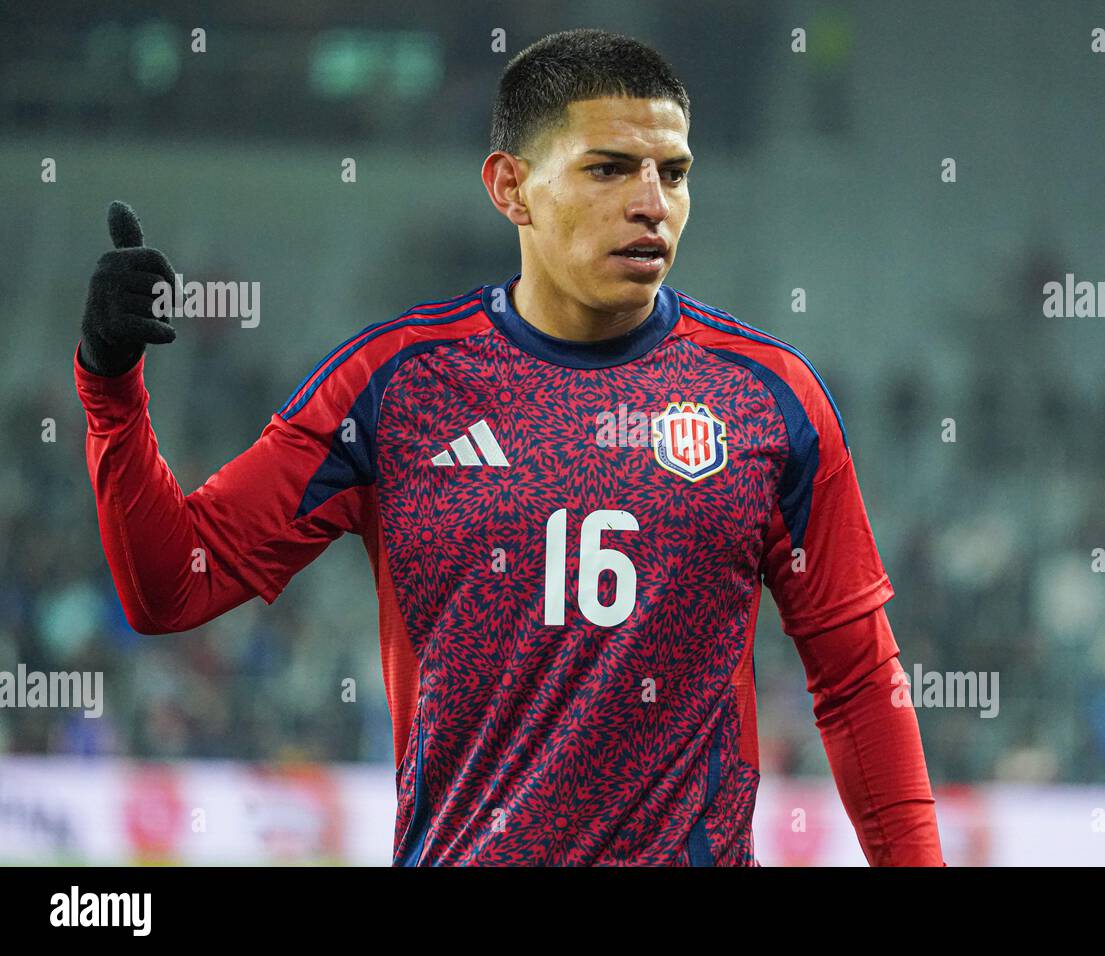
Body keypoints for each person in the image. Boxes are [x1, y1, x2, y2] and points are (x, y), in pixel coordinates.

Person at [75, 28, 943, 866]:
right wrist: (111, 387)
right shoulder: (393, 385)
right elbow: (172, 584)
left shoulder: (770, 399)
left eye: (672, 172)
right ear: (511, 187)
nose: (652, 201)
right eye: (608, 168)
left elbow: (859, 680)